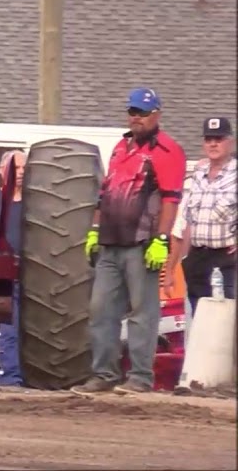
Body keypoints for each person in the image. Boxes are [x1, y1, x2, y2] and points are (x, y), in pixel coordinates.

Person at [75, 87, 187, 394]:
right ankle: (104, 374)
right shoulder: (120, 147)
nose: (135, 118)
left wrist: (161, 239)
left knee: (142, 312)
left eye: (142, 113)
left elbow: (170, 199)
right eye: (132, 112)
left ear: (156, 116)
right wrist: (95, 230)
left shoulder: (168, 150)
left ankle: (140, 377)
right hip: (111, 242)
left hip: (142, 243)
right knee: (101, 311)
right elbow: (105, 192)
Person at [165, 116, 236, 314]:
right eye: (208, 139)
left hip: (227, 260)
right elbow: (185, 223)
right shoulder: (197, 174)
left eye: (219, 138)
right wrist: (171, 269)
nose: (213, 143)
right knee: (200, 321)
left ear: (230, 141)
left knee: (228, 323)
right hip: (197, 258)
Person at [0, 149, 26, 387]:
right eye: (15, 168)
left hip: (30, 273)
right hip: (2, 275)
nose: (20, 173)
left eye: (24, 168)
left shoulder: (36, 205)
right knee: (9, 329)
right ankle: (11, 377)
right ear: (2, 171)